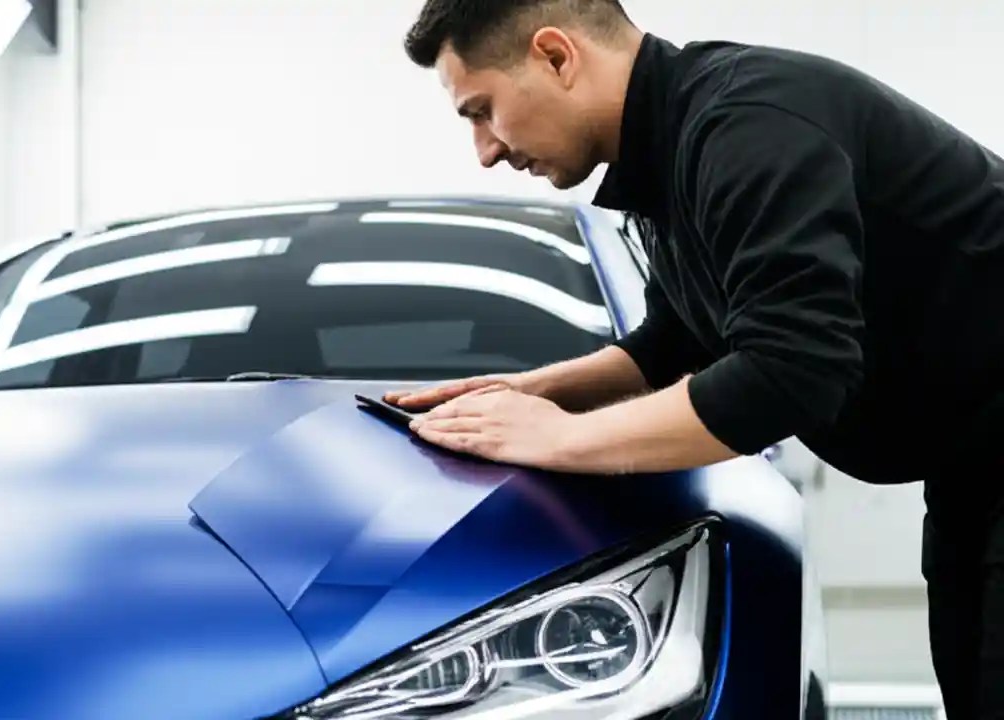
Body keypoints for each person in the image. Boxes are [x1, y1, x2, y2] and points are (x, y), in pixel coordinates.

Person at [386, 0, 1004, 716]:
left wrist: (558, 437)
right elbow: (674, 341)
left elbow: (788, 373)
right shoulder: (671, 155)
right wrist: (527, 393)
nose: (486, 149)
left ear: (557, 56)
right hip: (971, 471)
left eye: (482, 110)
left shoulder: (749, 124)